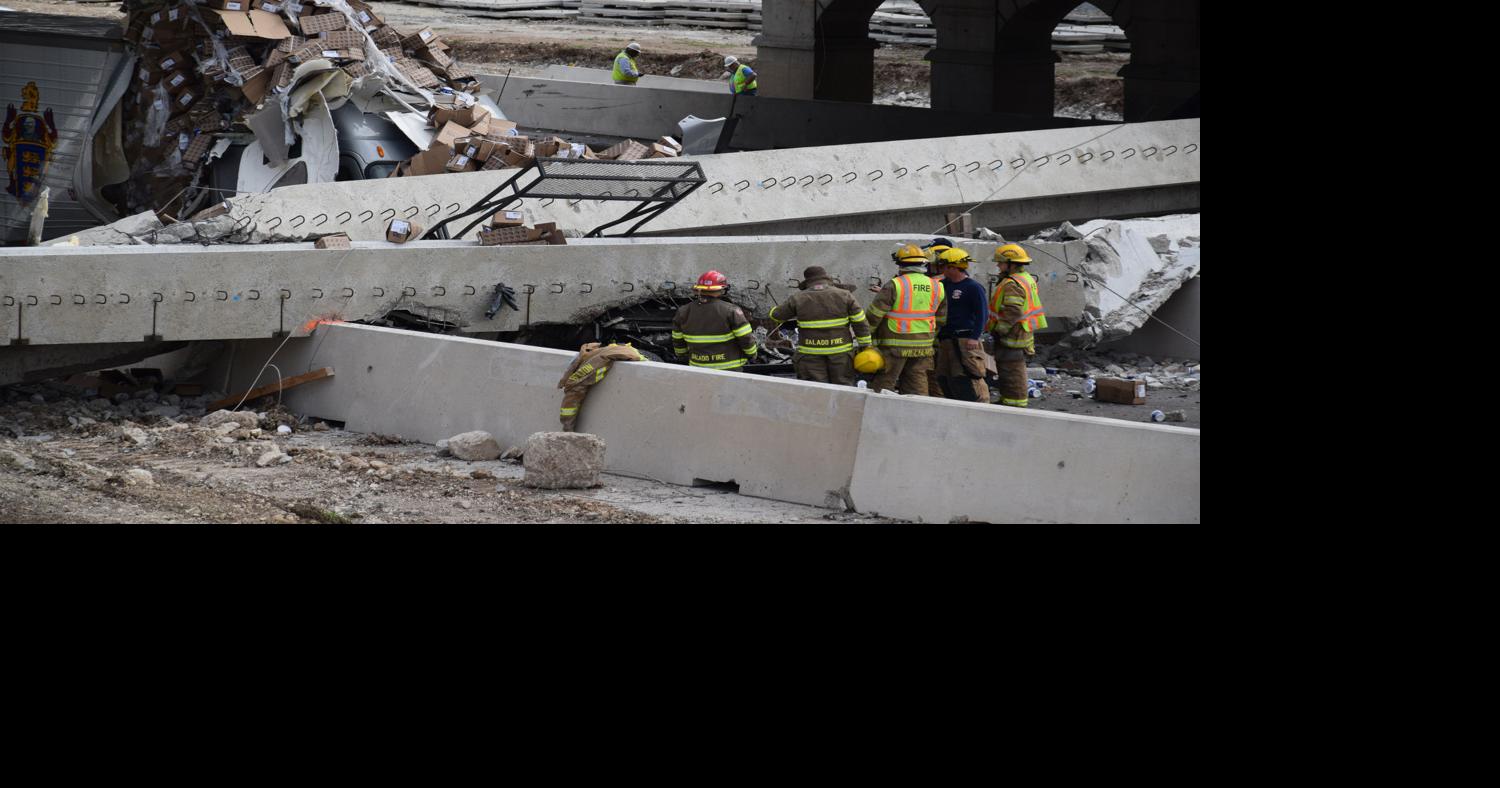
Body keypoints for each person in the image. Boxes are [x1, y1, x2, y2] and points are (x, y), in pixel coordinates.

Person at [865, 243, 947, 395]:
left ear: (901, 264)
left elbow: (874, 315)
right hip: (923, 347)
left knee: (884, 385)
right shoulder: (937, 286)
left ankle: (881, 416)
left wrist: (864, 338)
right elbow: (941, 319)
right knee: (917, 386)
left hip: (895, 346)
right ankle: (917, 416)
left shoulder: (895, 284)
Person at [768, 265, 870, 385]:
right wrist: (865, 345)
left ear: (807, 282)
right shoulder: (845, 295)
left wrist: (779, 308)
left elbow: (776, 316)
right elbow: (860, 323)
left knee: (816, 391)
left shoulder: (798, 298)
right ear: (826, 279)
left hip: (811, 355)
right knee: (844, 389)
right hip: (841, 355)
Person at [987, 243, 1048, 408]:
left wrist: (999, 330)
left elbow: (1013, 310)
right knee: (1009, 368)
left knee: (1011, 369)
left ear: (1011, 263)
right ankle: (1009, 400)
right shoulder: (1025, 278)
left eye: (1000, 262)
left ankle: (1015, 404)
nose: (998, 265)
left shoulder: (1012, 283)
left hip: (1012, 333)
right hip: (1021, 331)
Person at [932, 247, 990, 403]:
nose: (941, 270)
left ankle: (981, 405)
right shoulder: (942, 285)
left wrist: (975, 337)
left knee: (970, 374)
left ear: (953, 267)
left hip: (966, 340)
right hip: (946, 339)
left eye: (943, 266)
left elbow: (982, 314)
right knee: (945, 376)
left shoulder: (973, 287)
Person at [672, 270, 758, 370]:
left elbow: (677, 339)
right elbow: (746, 338)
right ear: (721, 290)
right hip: (730, 368)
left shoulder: (683, 311)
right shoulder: (731, 310)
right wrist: (752, 354)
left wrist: (682, 355)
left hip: (698, 367)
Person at [556, 342, 645, 431]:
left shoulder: (585, 369)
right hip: (632, 352)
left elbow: (573, 396)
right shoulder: (592, 355)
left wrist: (567, 427)